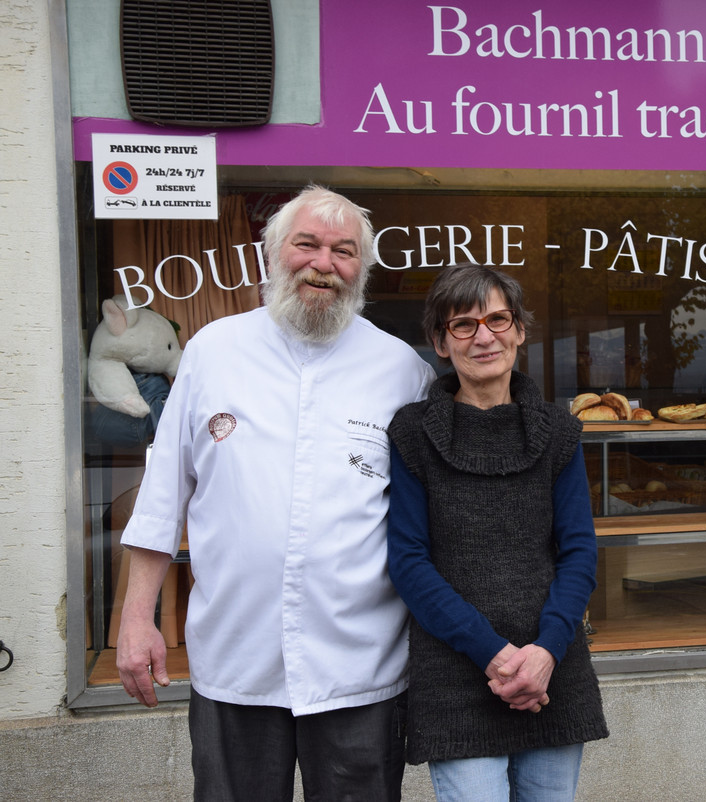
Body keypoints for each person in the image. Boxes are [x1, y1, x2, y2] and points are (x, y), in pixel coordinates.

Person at [116, 185, 435, 800]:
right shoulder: (212, 352)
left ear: (362, 269)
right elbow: (162, 494)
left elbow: (424, 521)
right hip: (236, 657)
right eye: (307, 244)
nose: (324, 263)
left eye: (344, 251)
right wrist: (137, 619)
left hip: (359, 663)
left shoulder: (403, 371)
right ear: (271, 252)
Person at [386, 264, 608, 801]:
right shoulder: (413, 433)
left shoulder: (559, 432)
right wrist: (494, 654)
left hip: (551, 673)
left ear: (520, 330)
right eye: (463, 325)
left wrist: (546, 652)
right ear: (440, 342)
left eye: (497, 320)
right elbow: (409, 563)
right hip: (457, 672)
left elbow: (578, 552)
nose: (484, 336)